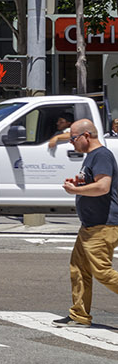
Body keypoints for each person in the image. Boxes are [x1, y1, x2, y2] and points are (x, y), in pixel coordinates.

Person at [50, 119, 118, 327]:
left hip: (102, 225)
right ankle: (79, 315)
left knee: (102, 272)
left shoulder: (101, 155)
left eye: (73, 138)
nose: (71, 143)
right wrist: (78, 183)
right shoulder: (92, 157)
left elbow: (103, 187)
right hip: (90, 225)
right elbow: (94, 183)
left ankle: (79, 314)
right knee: (79, 269)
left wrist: (76, 190)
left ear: (86, 136)